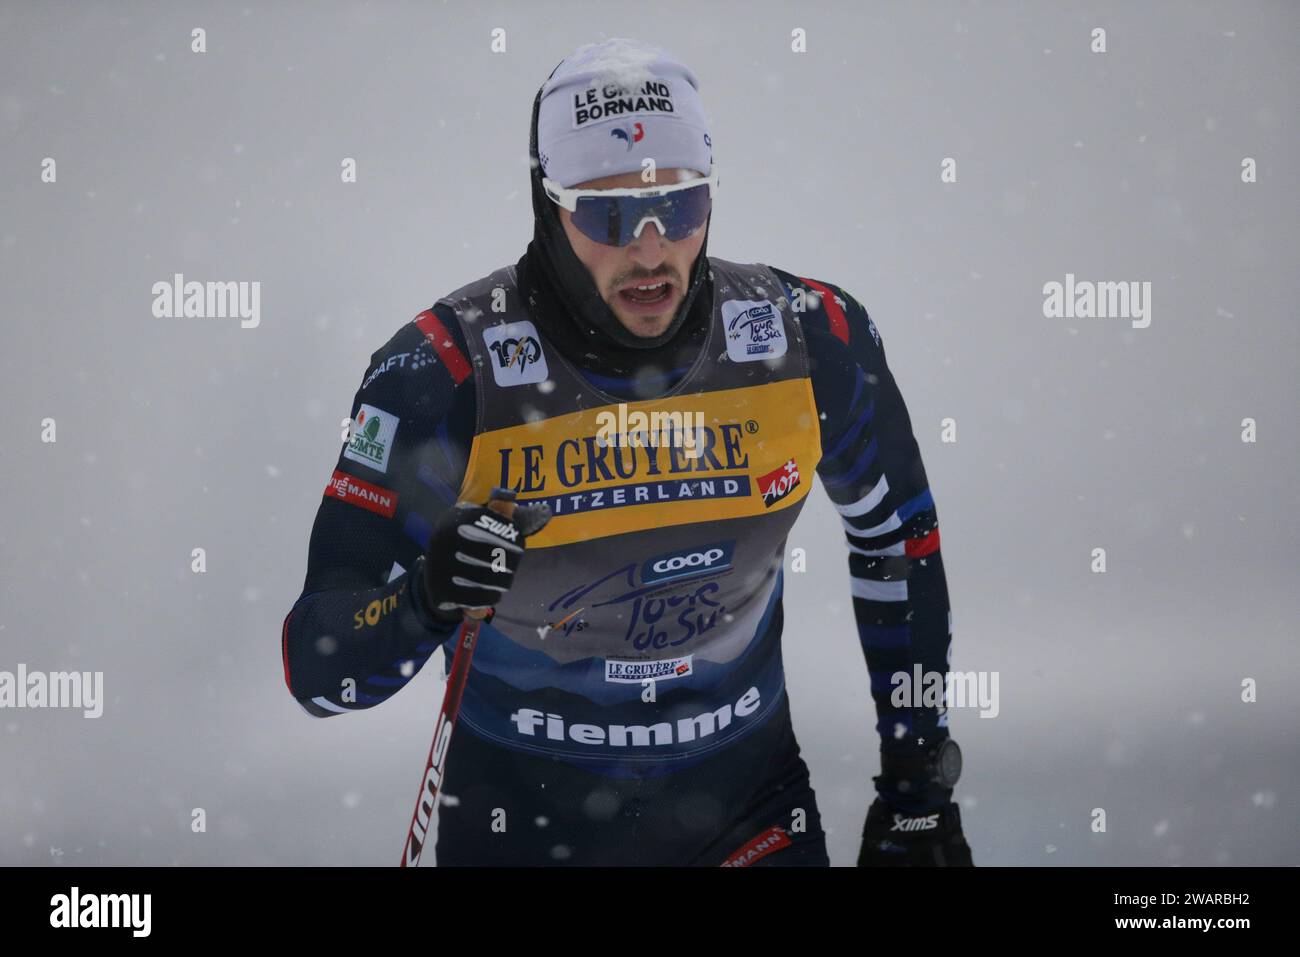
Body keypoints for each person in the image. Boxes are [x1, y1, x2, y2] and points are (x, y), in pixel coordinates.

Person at [281, 38, 973, 867]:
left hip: (745, 817)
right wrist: (423, 600)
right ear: (547, 204)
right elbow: (316, 667)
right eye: (607, 216)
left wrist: (918, 794)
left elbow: (899, 546)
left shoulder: (808, 339)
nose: (650, 249)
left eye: (677, 207)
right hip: (527, 831)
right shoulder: (443, 375)